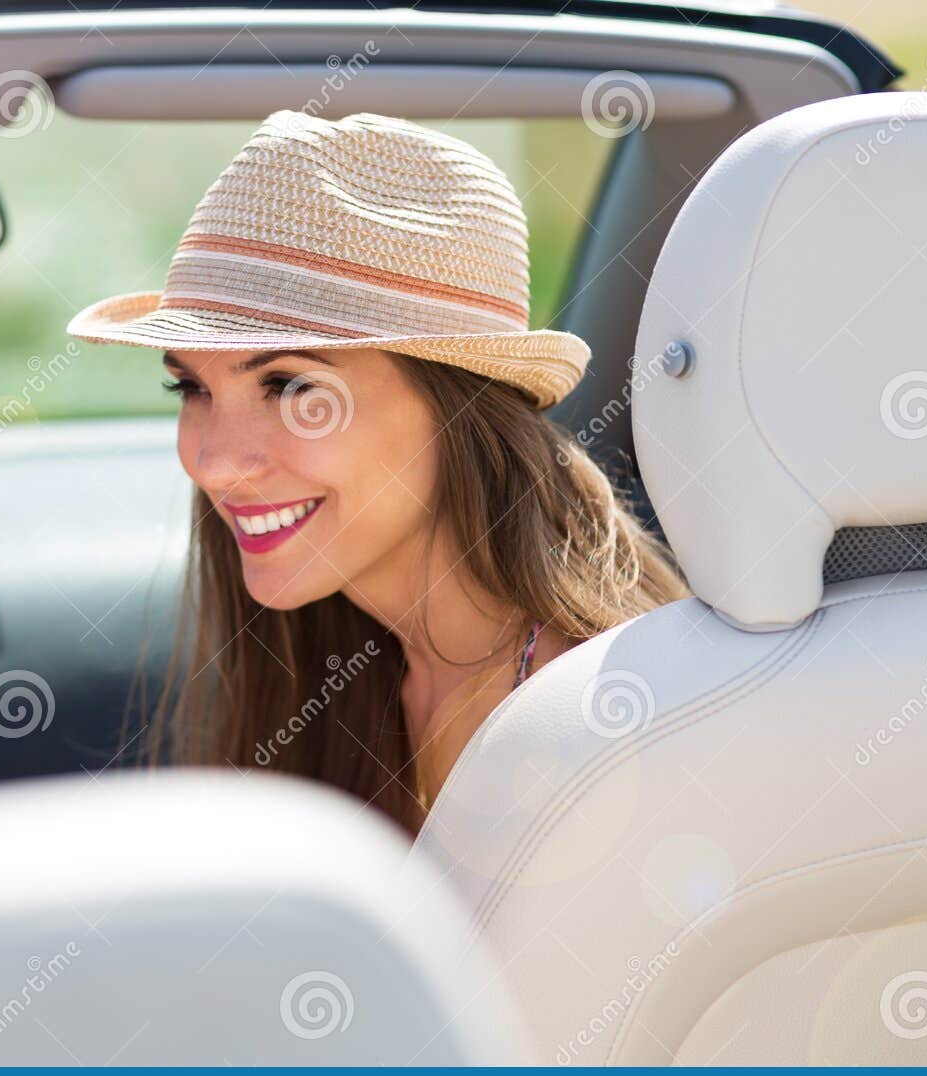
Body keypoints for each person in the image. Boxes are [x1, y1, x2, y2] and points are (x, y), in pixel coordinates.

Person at [68, 111, 687, 835]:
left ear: (459, 402)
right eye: (192, 388)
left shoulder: (595, 722)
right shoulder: (340, 666)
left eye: (292, 388)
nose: (215, 463)